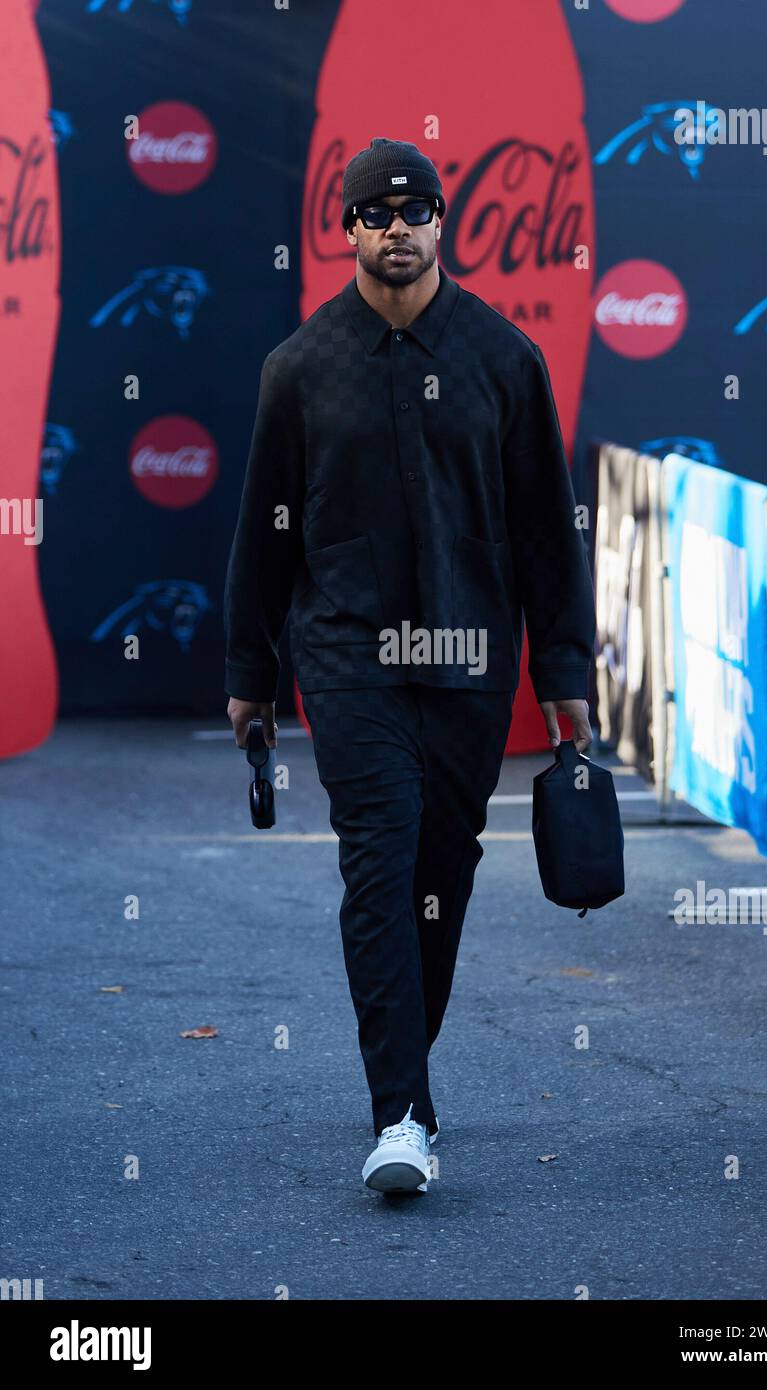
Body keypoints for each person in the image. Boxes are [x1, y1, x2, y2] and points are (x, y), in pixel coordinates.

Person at [224, 137, 595, 1194]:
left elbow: (542, 531)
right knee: (378, 864)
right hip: (348, 662)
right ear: (344, 229)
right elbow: (264, 533)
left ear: (443, 223)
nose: (397, 227)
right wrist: (249, 665)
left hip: (471, 663)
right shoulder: (297, 368)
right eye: (375, 213)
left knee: (442, 871)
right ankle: (400, 1114)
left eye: (416, 210)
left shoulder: (502, 359)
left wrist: (562, 670)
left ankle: (405, 1076)